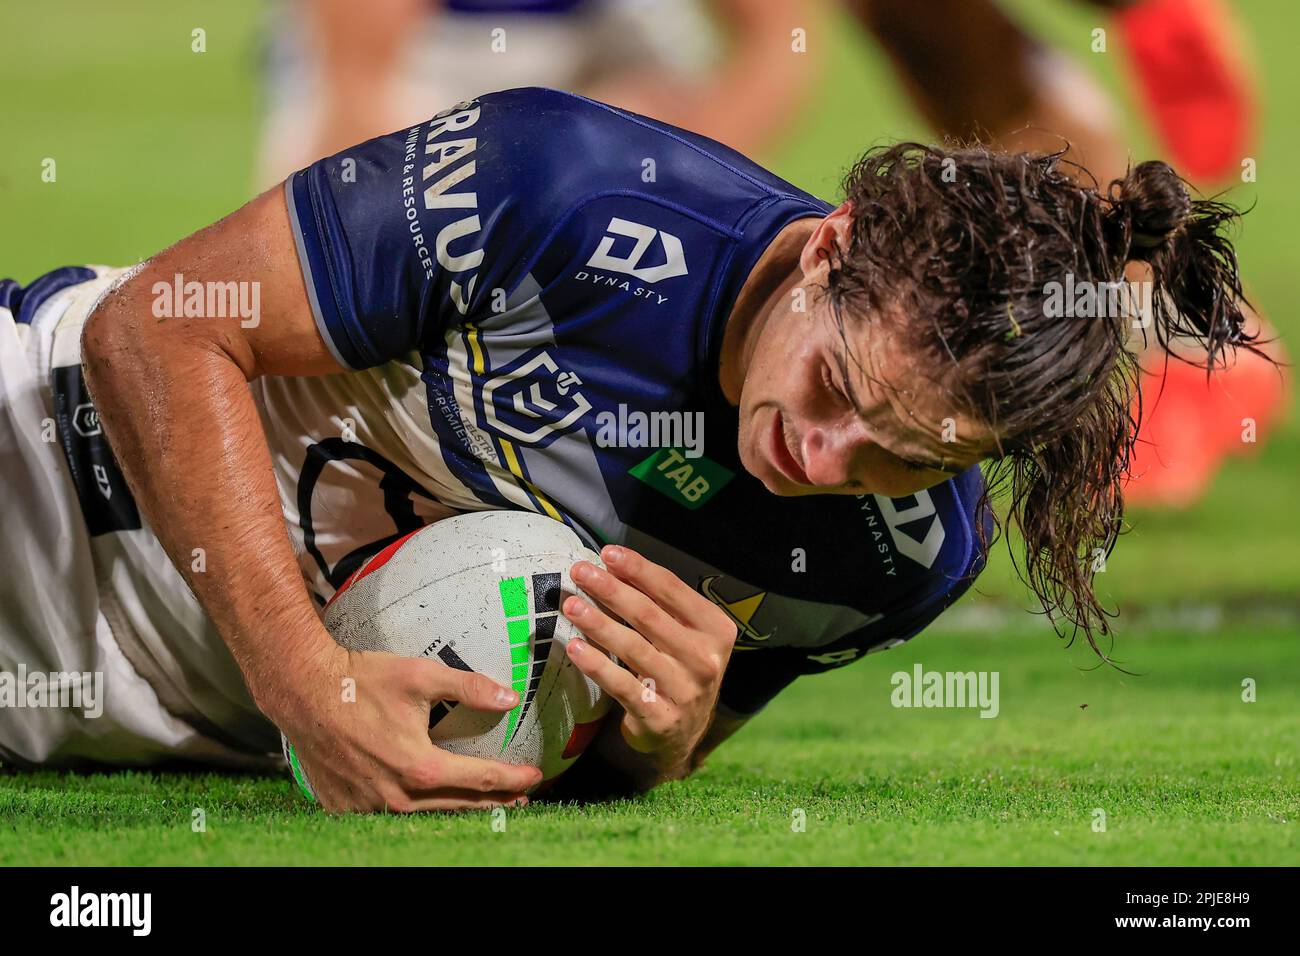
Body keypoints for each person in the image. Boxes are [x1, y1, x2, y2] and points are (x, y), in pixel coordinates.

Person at [0, 89, 1261, 811]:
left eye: (905, 458)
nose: (821, 460)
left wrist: (659, 739)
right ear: (831, 245)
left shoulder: (898, 561)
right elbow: (155, 330)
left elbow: (581, 765)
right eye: (835, 385)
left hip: (112, 732)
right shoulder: (563, 186)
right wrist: (297, 675)